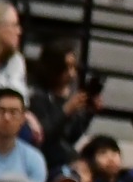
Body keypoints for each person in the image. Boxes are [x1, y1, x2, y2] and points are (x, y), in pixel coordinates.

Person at [28, 38, 95, 173]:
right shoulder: (37, 95)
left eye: (73, 67)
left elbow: (71, 136)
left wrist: (88, 113)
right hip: (43, 160)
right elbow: (43, 135)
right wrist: (65, 111)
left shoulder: (69, 94)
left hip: (64, 157)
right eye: (66, 68)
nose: (71, 74)